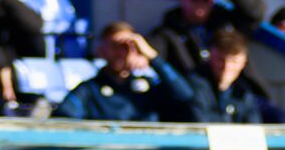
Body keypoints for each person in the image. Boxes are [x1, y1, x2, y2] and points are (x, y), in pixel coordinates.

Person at [52, 22, 195, 121]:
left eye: (128, 47)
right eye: (115, 46)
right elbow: (63, 117)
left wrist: (152, 57)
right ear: (101, 51)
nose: (122, 53)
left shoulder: (147, 87)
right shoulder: (90, 89)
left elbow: (184, 95)